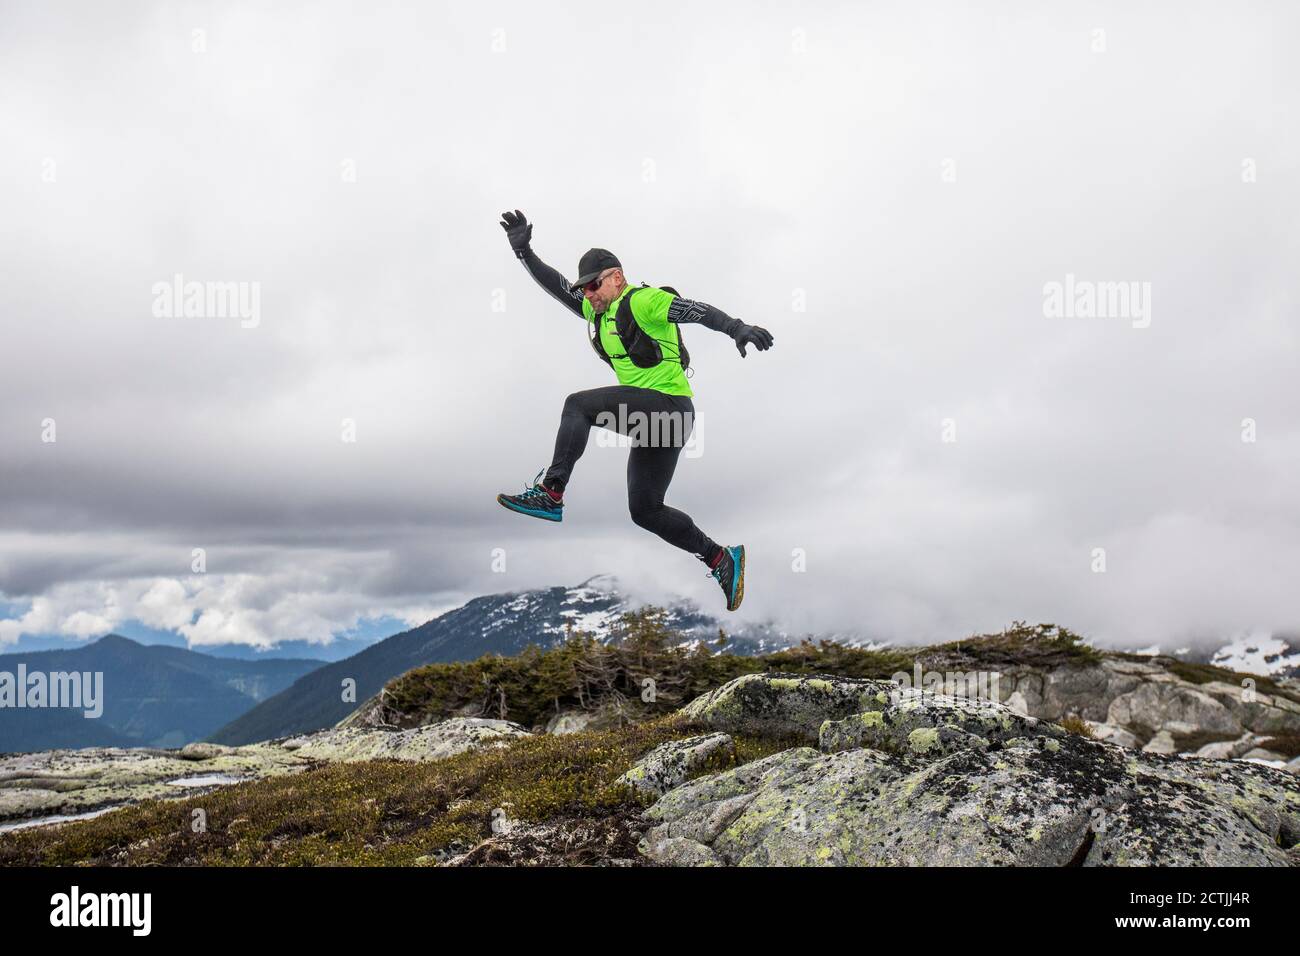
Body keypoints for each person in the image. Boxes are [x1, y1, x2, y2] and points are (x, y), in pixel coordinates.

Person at [495, 209, 774, 611]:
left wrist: (737, 328)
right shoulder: (597, 309)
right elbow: (556, 286)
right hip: (652, 423)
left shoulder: (643, 300)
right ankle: (720, 559)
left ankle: (551, 492)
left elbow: (698, 311)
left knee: (578, 405)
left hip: (671, 409)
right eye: (585, 289)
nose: (587, 293)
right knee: (644, 510)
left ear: (616, 277)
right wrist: (525, 253)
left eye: (593, 285)